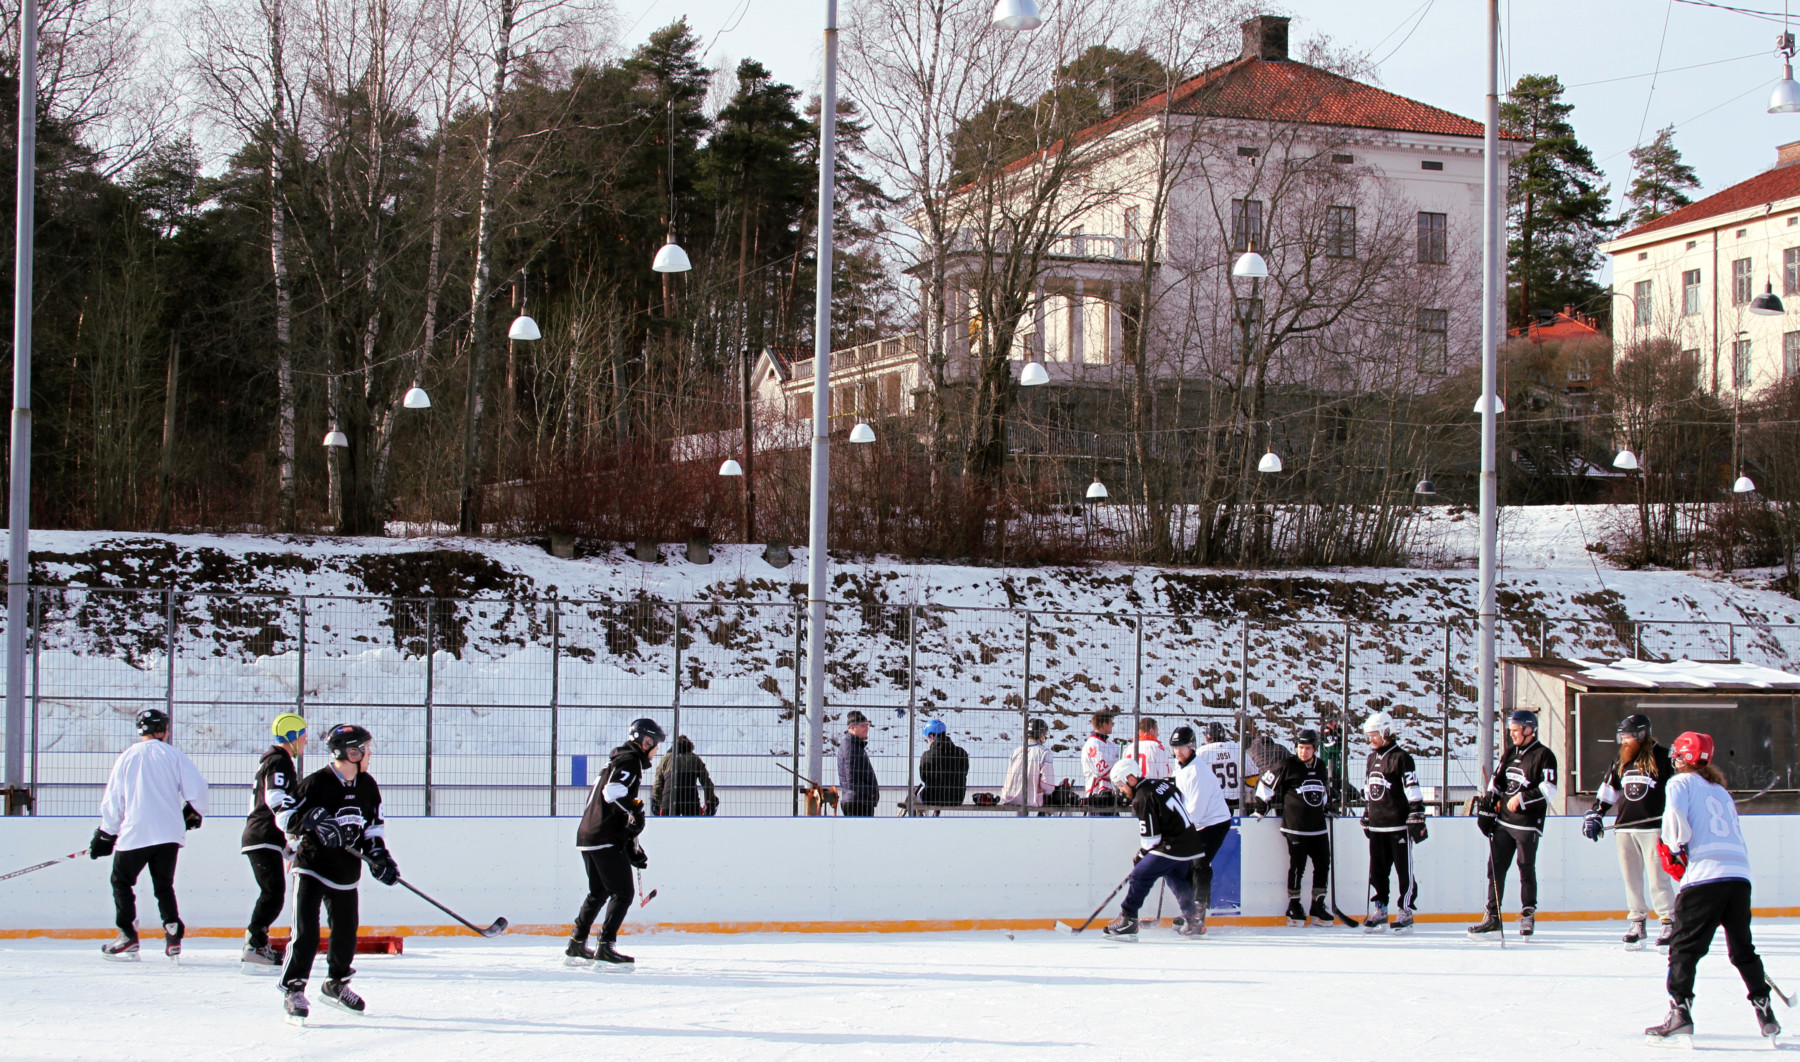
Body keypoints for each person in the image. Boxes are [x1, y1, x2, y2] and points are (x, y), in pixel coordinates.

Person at [1644, 731, 1781, 1047]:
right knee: (1742, 950)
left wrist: (1675, 845)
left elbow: (1674, 817)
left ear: (1684, 757)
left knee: (1683, 949)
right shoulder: (1720, 790)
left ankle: (1680, 1014)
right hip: (1739, 878)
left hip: (1705, 876)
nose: (1674, 758)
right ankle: (1765, 1010)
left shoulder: (1679, 782)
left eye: (1678, 754)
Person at [278, 724, 398, 1024]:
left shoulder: (368, 786)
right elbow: (285, 818)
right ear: (351, 752)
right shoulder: (316, 783)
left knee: (346, 931)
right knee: (306, 932)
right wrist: (311, 820)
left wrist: (379, 857)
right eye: (365, 749)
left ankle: (335, 984)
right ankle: (294, 988)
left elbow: (372, 828)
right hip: (312, 866)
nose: (370, 754)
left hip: (346, 870)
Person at [90, 708, 210, 963]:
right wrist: (193, 811)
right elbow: (198, 790)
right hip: (169, 833)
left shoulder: (127, 757)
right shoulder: (173, 755)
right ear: (164, 730)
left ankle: (127, 934)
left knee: (121, 881)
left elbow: (115, 800)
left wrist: (106, 834)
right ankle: (172, 930)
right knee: (163, 885)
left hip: (136, 832)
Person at [570, 717, 664, 970]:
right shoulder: (629, 760)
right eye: (655, 744)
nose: (656, 750)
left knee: (598, 892)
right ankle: (605, 946)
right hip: (604, 837)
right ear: (645, 741)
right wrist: (636, 811)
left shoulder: (614, 760)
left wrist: (632, 845)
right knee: (623, 894)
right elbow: (612, 792)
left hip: (588, 836)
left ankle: (576, 943)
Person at [1585, 713, 1677, 950]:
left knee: (1658, 879)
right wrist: (1597, 813)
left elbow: (1679, 790)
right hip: (1625, 829)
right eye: (1622, 737)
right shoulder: (1622, 760)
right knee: (1631, 879)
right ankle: (1637, 921)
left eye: (1628, 737)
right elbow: (1608, 791)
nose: (1624, 741)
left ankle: (1668, 920)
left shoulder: (1665, 757)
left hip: (1654, 829)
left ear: (1642, 735)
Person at [1469, 709, 1559, 940]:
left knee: (1525, 867)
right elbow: (1497, 782)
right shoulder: (1509, 754)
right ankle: (1493, 917)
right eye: (1511, 731)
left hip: (1527, 824)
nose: (1512, 735)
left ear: (1530, 730)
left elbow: (1549, 789)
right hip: (1503, 823)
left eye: (1516, 730)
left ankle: (1528, 913)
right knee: (1495, 868)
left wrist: (1523, 798)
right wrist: (1488, 807)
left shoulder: (1544, 755)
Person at [1101, 758, 1205, 939]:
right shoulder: (1159, 784)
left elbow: (1150, 841)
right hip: (1190, 841)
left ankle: (1129, 919)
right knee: (1175, 877)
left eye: (1120, 784)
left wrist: (1141, 857)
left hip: (1173, 844)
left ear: (1131, 779)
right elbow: (1180, 799)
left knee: (1140, 875)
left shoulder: (1142, 797)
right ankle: (1193, 919)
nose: (1120, 789)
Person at [241, 712, 307, 970]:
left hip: (265, 836)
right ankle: (255, 944)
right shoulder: (280, 760)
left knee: (272, 894)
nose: (305, 743)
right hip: (262, 834)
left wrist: (289, 845)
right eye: (302, 737)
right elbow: (275, 797)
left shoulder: (275, 760)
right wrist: (292, 829)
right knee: (272, 894)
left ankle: (256, 942)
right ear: (291, 737)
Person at [1254, 728, 1333, 926]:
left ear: (1314, 748)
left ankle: (1318, 904)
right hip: (1295, 827)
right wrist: (1261, 808)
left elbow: (1323, 791)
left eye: (1307, 748)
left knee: (1323, 864)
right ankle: (1294, 904)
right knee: (1298, 866)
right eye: (1300, 747)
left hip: (1318, 827)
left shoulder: (1321, 765)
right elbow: (1265, 785)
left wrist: (1328, 805)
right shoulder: (1287, 765)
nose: (1303, 751)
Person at [1360, 710, 1425, 934]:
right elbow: (1369, 790)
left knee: (1403, 870)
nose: (1371, 739)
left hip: (1398, 826)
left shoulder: (1401, 758)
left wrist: (1416, 812)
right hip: (1377, 826)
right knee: (1377, 871)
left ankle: (1405, 909)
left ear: (1386, 732)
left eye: (1374, 734)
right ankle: (1380, 909)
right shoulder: (1370, 759)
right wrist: (1367, 814)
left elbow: (1412, 788)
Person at [1168, 724, 1234, 935]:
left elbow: (1196, 810)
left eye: (1183, 747)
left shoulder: (1198, 772)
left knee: (1199, 863)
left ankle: (1198, 913)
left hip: (1214, 822)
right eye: (1175, 747)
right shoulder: (1179, 767)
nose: (1179, 751)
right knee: (1186, 865)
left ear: (1192, 747)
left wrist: (1179, 830)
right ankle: (1190, 911)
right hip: (1197, 822)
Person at [651, 735, 718, 817]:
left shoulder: (665, 759)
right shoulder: (695, 759)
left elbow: (658, 783)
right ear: (690, 746)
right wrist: (710, 801)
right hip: (690, 802)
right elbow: (707, 783)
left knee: (667, 828)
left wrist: (657, 801)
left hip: (668, 802)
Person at [915, 720, 969, 814]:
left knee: (914, 799)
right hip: (957, 799)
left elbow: (923, 777)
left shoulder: (927, 756)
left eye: (927, 738)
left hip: (932, 798)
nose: (927, 741)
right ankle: (936, 813)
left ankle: (918, 819)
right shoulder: (962, 753)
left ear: (932, 736)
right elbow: (964, 772)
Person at [1001, 719, 1056, 809]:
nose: (1045, 736)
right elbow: (1047, 785)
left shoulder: (1016, 751)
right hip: (1030, 800)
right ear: (1040, 734)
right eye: (1044, 734)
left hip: (1009, 797)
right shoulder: (1044, 752)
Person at [836, 711, 880, 817]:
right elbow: (852, 779)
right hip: (857, 803)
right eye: (863, 725)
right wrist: (871, 793)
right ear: (852, 727)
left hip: (859, 801)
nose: (867, 728)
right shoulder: (850, 747)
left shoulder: (854, 746)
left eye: (867, 725)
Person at [1195, 722, 1247, 812]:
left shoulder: (1201, 752)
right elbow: (1252, 771)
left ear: (1208, 737)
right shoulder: (1237, 748)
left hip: (1213, 798)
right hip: (1235, 797)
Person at [1079, 711, 1118, 809]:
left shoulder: (1110, 744)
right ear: (1104, 725)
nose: (1113, 725)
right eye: (1111, 722)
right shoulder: (1093, 744)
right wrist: (1118, 768)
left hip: (1111, 794)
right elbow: (1102, 770)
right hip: (1097, 795)